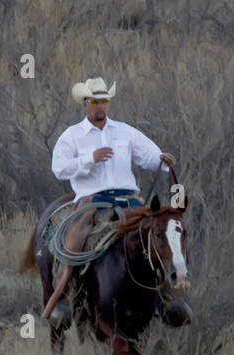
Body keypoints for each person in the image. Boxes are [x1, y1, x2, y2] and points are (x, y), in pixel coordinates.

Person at [44, 77, 177, 320]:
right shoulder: (72, 136)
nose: (100, 106)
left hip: (129, 199)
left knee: (161, 233)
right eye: (95, 102)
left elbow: (148, 155)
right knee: (77, 237)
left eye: (104, 101)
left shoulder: (125, 132)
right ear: (85, 104)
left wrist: (162, 159)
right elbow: (59, 168)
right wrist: (89, 159)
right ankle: (66, 294)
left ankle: (168, 298)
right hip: (92, 201)